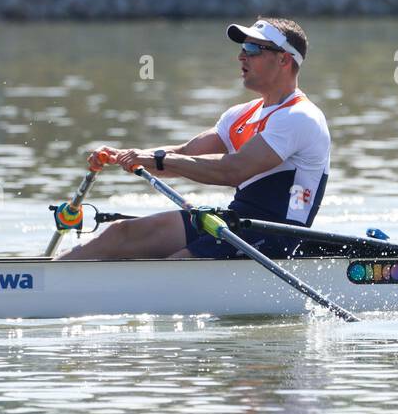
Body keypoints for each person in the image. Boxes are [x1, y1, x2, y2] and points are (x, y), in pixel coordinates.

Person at [59, 18, 330, 260]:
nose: (240, 57)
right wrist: (124, 155)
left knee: (179, 263)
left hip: (277, 236)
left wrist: (158, 159)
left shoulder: (299, 117)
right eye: (242, 49)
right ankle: (41, 278)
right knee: (121, 234)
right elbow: (186, 151)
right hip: (237, 222)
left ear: (284, 59)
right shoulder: (241, 114)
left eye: (252, 50)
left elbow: (233, 170)